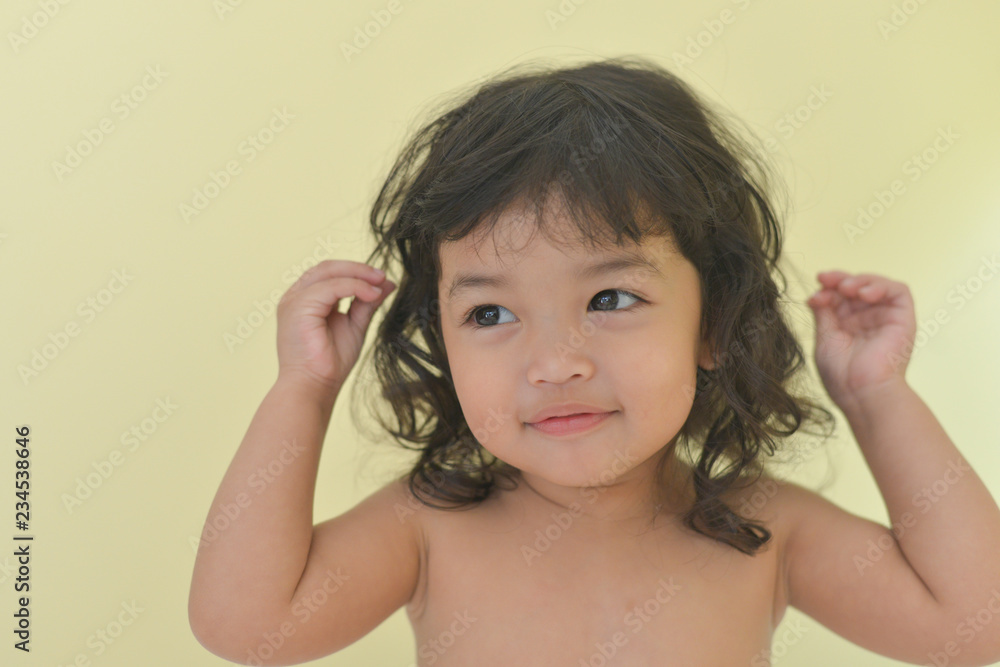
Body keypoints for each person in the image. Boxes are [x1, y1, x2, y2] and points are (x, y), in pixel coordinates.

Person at [188, 56, 1000, 666]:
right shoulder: (429, 525)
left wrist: (874, 395)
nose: (553, 362)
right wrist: (304, 389)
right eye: (491, 312)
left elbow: (976, 621)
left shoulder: (761, 529)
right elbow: (247, 625)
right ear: (440, 340)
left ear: (713, 320)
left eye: (609, 300)